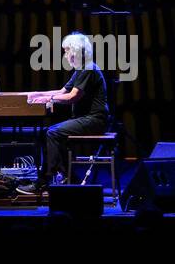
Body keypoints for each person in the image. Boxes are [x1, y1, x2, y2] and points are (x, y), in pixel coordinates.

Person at [18, 32, 109, 195]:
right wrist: (38, 94)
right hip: (85, 119)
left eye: (67, 51)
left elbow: (73, 96)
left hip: (94, 120)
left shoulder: (88, 69)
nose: (65, 55)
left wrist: (49, 99)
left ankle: (47, 181)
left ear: (75, 51)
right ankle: (68, 179)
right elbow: (63, 91)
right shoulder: (81, 70)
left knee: (53, 133)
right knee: (47, 133)